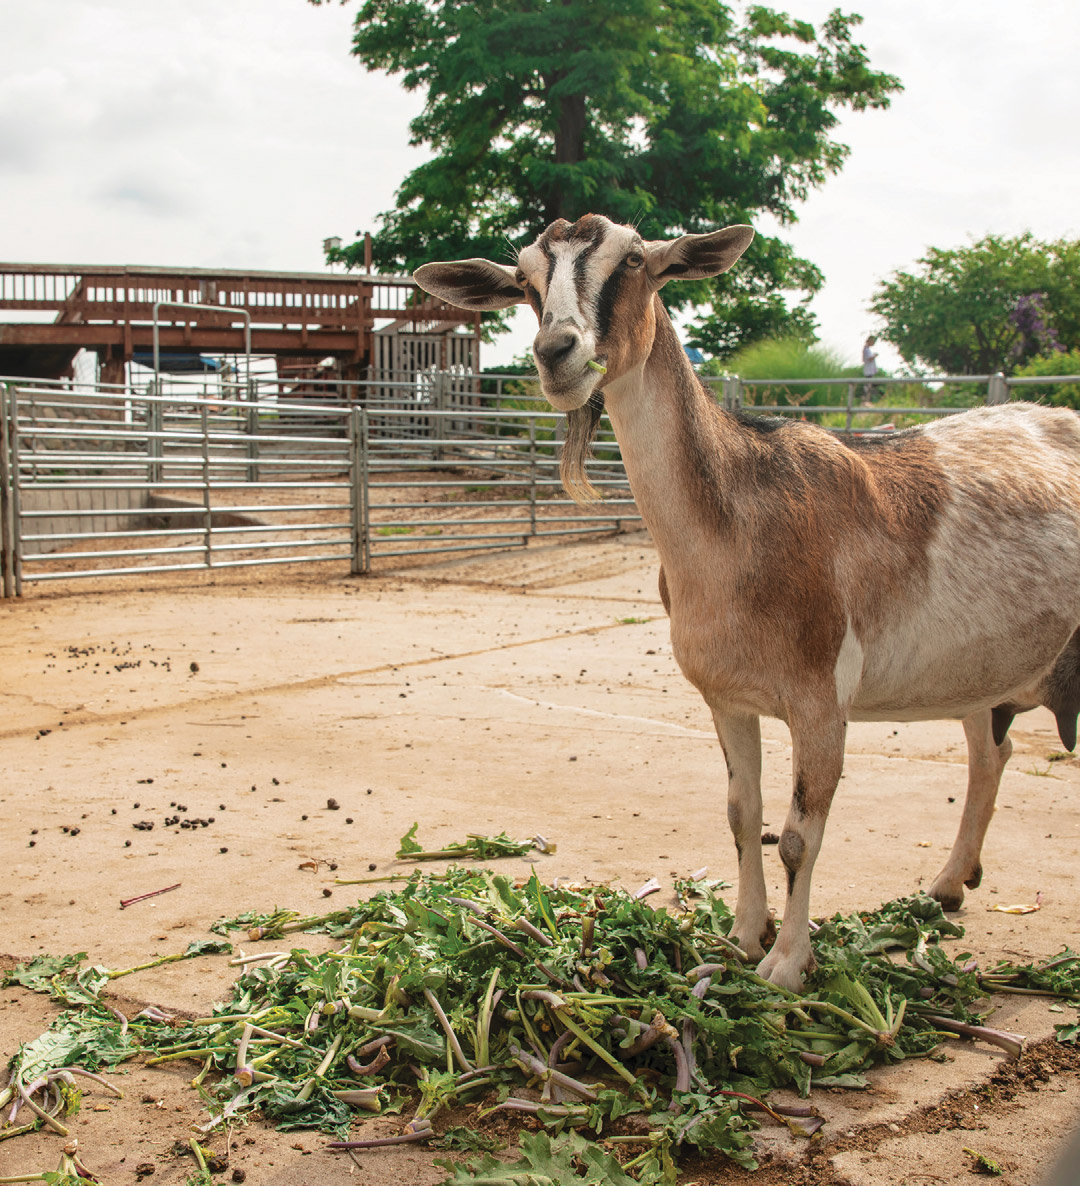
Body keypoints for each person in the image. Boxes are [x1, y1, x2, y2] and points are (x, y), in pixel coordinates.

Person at [862, 334, 881, 401]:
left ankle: (867, 400)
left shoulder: (868, 349)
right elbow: (869, 359)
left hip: (870, 371)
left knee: (869, 386)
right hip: (868, 371)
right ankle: (865, 400)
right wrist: (875, 356)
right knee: (867, 386)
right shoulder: (866, 349)